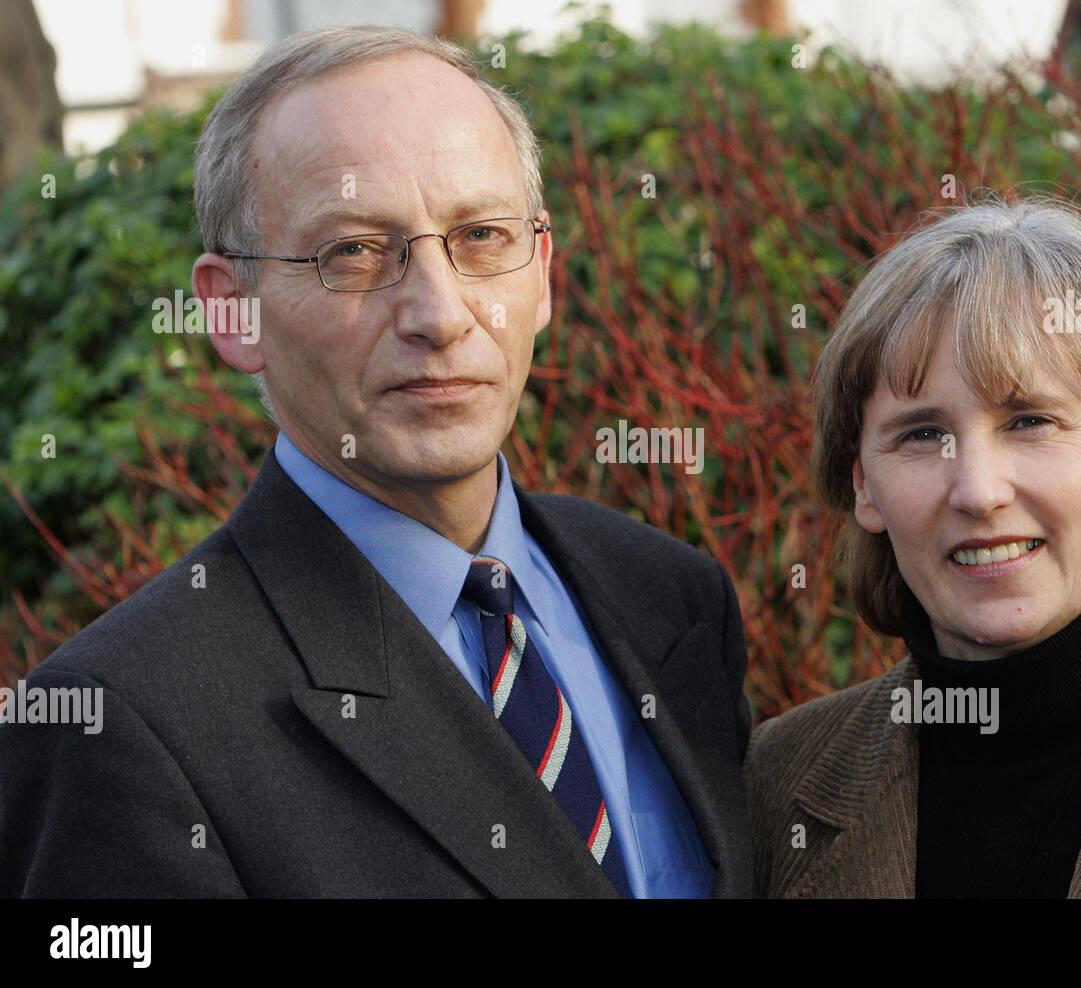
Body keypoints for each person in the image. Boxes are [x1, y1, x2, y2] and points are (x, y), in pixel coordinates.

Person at [0, 26, 752, 898]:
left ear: (542, 274)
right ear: (234, 310)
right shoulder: (125, 725)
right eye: (352, 252)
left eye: (479, 237)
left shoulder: (671, 599)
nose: (440, 313)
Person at [744, 195, 1081, 898]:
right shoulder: (778, 783)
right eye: (921, 434)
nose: (978, 491)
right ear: (863, 486)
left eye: (1030, 420)